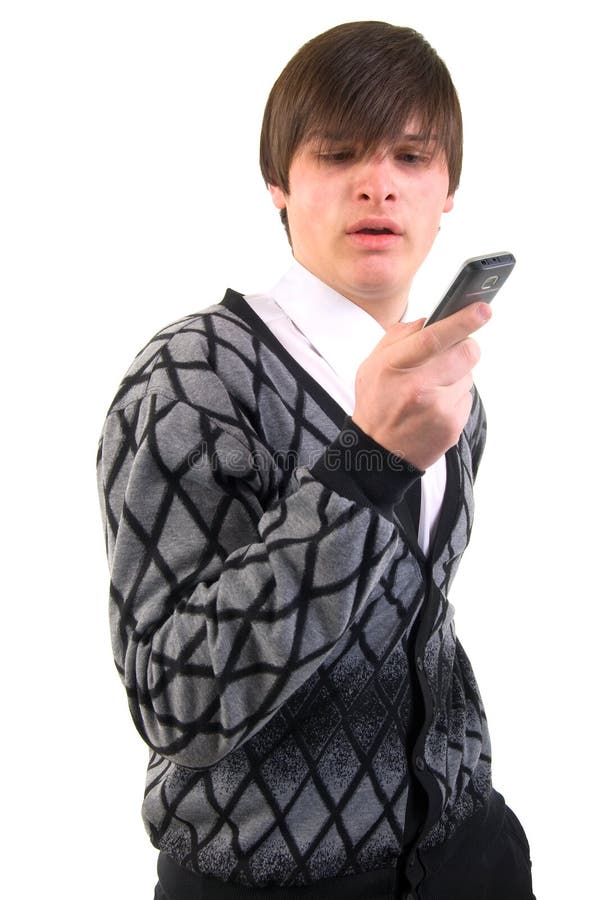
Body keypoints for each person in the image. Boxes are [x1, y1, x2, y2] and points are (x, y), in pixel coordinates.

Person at [97, 21, 535, 900]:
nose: (379, 185)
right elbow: (172, 699)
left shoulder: (440, 381)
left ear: (448, 190)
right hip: (274, 880)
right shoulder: (193, 376)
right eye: (339, 154)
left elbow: (415, 621)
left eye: (412, 158)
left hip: (464, 849)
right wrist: (365, 466)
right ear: (279, 186)